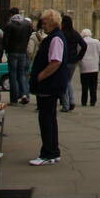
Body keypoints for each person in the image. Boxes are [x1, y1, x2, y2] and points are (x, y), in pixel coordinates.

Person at [29, 9, 67, 165]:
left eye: (44, 22)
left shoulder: (56, 38)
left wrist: (39, 76)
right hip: (50, 84)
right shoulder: (54, 37)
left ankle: (47, 154)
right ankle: (53, 152)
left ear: (52, 22)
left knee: (46, 119)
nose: (42, 25)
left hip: (48, 85)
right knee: (49, 118)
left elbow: (55, 61)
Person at [3, 7, 32, 105]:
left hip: (12, 52)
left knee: (13, 75)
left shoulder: (10, 24)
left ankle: (14, 99)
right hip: (22, 52)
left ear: (11, 14)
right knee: (22, 74)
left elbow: (6, 40)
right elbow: (29, 37)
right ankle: (24, 94)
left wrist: (5, 50)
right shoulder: (27, 24)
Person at [60, 15, 86, 112]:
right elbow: (84, 45)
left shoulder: (61, 34)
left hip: (64, 61)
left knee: (63, 82)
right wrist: (78, 57)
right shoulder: (75, 33)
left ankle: (66, 105)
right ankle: (72, 101)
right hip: (73, 61)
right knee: (68, 81)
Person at [78, 29, 100, 107]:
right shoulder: (96, 41)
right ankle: (93, 101)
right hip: (94, 66)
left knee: (84, 85)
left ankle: (84, 101)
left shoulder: (81, 42)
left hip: (84, 66)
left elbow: (78, 52)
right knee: (93, 85)